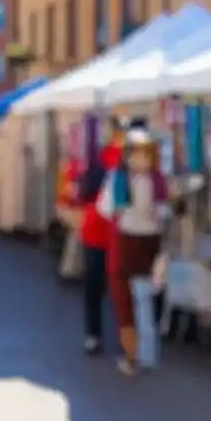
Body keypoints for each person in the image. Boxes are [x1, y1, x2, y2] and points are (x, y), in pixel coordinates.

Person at [96, 129, 168, 376]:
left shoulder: (119, 179)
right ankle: (144, 356)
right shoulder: (156, 180)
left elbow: (105, 210)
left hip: (130, 244)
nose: (140, 159)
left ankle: (134, 356)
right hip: (149, 243)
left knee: (130, 303)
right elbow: (164, 212)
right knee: (143, 301)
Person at [77, 142, 121, 356]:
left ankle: (93, 335)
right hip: (119, 234)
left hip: (95, 232)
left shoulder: (99, 160)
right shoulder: (128, 162)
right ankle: (125, 339)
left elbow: (83, 193)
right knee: (120, 289)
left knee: (93, 289)